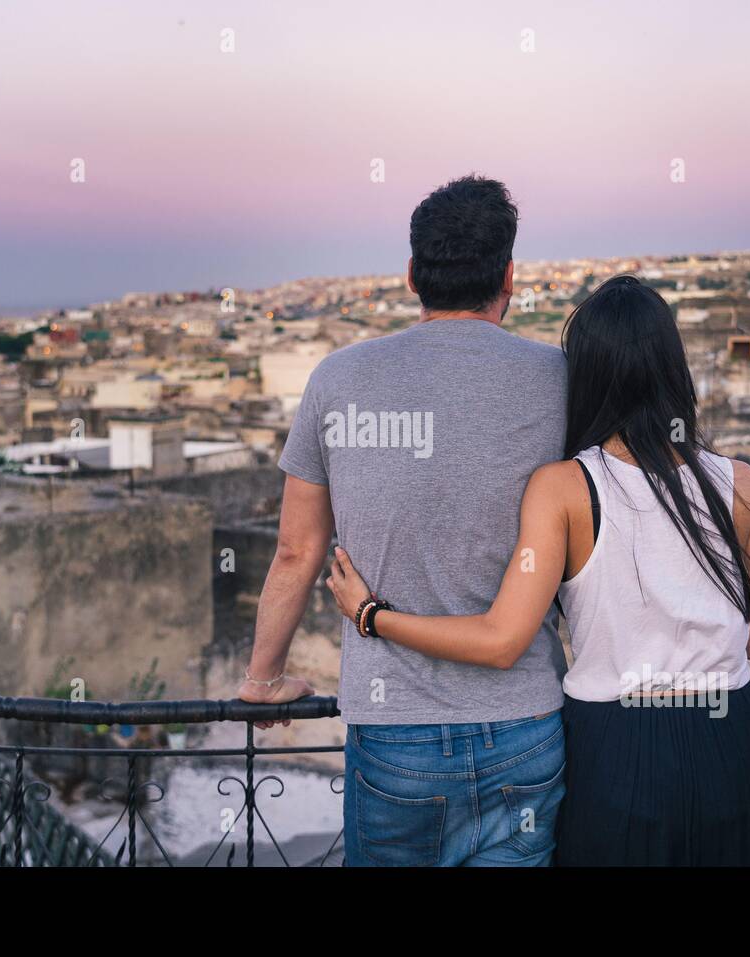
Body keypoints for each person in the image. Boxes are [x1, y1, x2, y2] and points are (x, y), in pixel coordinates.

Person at [326, 275, 750, 866]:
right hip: (731, 741)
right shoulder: (739, 482)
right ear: (675, 367)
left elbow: (500, 640)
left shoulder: (566, 488)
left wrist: (371, 614)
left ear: (585, 375)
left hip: (619, 746)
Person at [238, 175, 569, 866]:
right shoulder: (561, 377)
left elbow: (298, 551)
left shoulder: (339, 377)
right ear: (510, 275)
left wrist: (263, 678)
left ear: (413, 274)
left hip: (395, 733)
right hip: (527, 723)